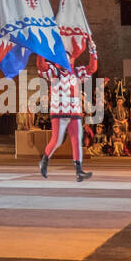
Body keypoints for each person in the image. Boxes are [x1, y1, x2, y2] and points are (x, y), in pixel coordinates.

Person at [37, 45, 98, 182]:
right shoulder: (53, 71)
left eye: (68, 56)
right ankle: (44, 161)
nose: (66, 58)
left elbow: (91, 69)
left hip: (74, 111)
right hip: (59, 110)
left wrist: (93, 51)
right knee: (57, 140)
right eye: (63, 56)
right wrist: (41, 51)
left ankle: (78, 170)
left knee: (77, 139)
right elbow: (41, 66)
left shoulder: (76, 72)